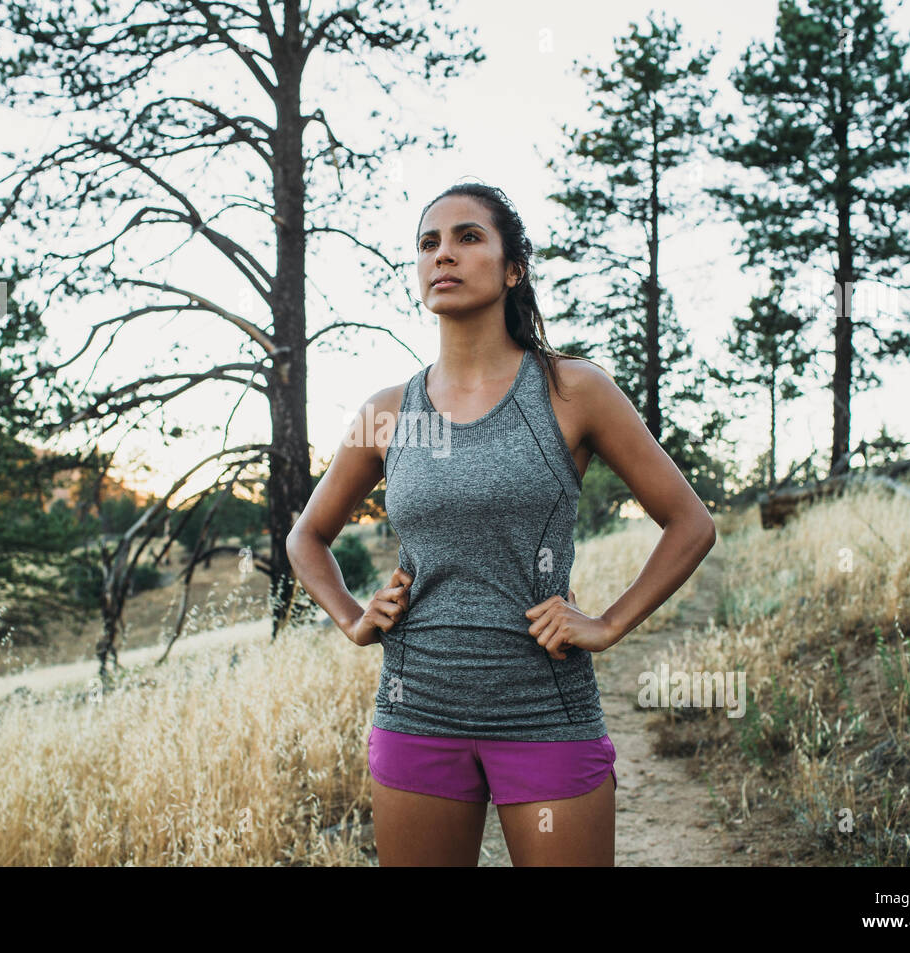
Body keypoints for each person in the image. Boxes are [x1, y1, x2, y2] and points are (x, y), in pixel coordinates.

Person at [286, 183, 716, 866]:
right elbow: (305, 537)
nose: (443, 255)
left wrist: (606, 624)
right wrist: (350, 616)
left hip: (545, 713)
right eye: (428, 244)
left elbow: (690, 523)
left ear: (513, 268)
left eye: (467, 237)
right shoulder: (388, 411)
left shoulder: (573, 390)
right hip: (417, 711)